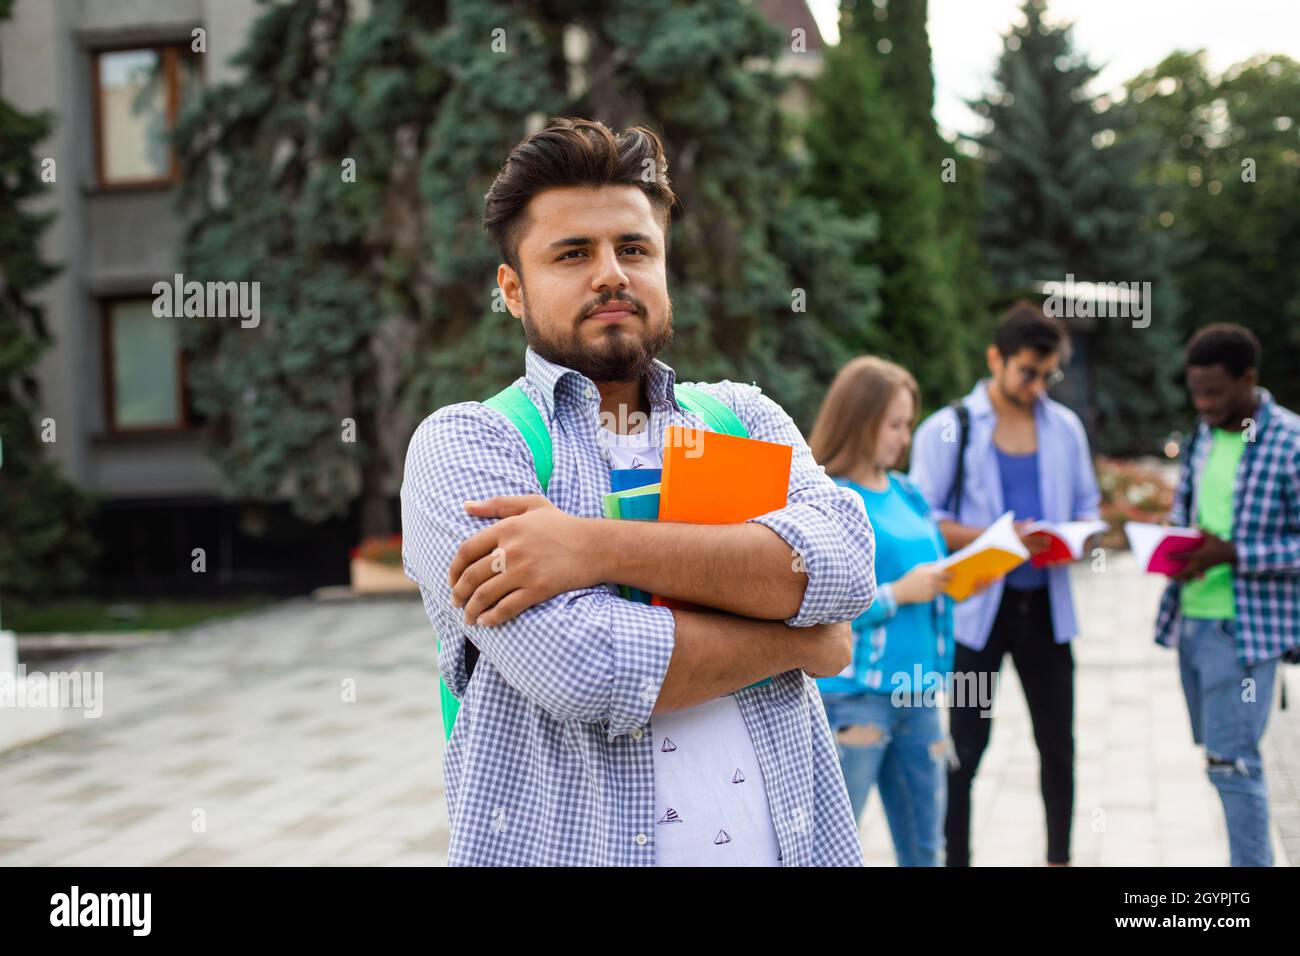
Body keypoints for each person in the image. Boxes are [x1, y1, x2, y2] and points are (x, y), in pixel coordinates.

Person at [400, 117, 876, 866]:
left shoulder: (743, 419)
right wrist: (804, 639)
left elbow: (846, 565)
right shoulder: (473, 444)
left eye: (634, 248)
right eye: (572, 254)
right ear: (513, 290)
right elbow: (585, 668)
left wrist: (589, 547)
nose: (611, 274)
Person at [909, 301, 1101, 867]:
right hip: (977, 613)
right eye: (1027, 372)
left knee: (1058, 747)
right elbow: (924, 521)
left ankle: (1059, 857)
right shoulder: (950, 429)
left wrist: (1076, 539)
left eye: (1048, 375)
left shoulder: (1064, 428)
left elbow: (1089, 510)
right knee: (965, 750)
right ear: (996, 358)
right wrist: (998, 537)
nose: (1038, 385)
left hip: (1045, 608)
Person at [1155, 323, 1300, 867]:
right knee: (1219, 759)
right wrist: (1174, 543)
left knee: (1233, 763)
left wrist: (1235, 554)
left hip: (1246, 631)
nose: (1205, 403)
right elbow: (1188, 511)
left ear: (1249, 380)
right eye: (1197, 392)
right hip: (1192, 622)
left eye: (1216, 392)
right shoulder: (1204, 432)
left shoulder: (1289, 441)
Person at [808, 356, 958, 866]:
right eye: (894, 424)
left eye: (908, 425)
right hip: (857, 699)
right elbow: (816, 605)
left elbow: (928, 574)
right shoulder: (827, 499)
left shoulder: (908, 493)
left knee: (926, 850)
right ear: (859, 419)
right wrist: (899, 593)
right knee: (831, 850)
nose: (904, 437)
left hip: (920, 696)